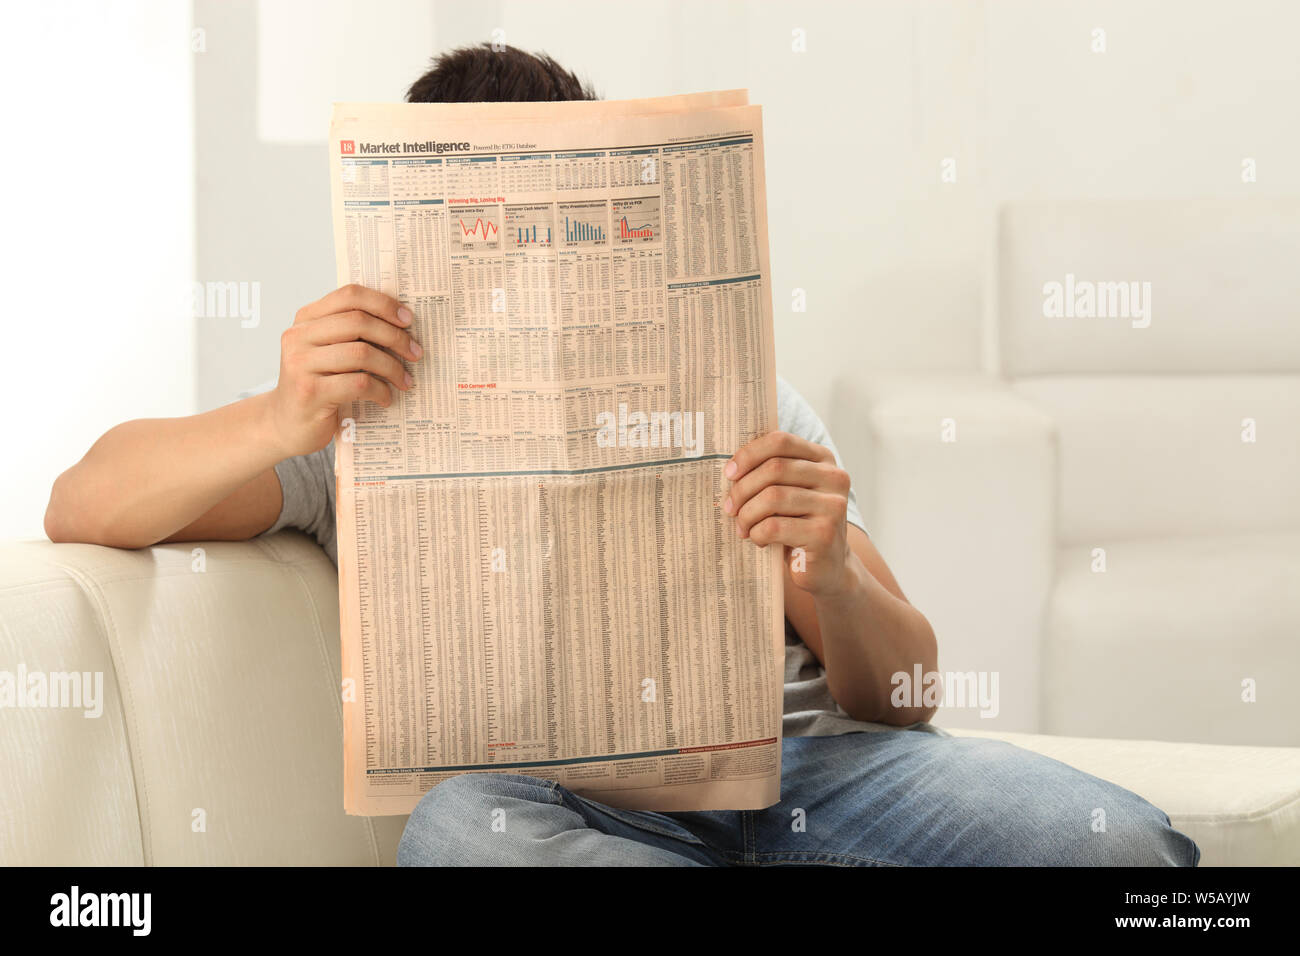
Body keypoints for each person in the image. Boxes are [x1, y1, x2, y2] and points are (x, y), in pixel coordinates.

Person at [45, 43, 1199, 867]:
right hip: (547, 805)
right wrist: (275, 415)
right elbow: (82, 502)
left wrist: (831, 570)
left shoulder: (742, 391)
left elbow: (906, 692)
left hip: (813, 773)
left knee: (1121, 841)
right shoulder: (346, 418)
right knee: (456, 838)